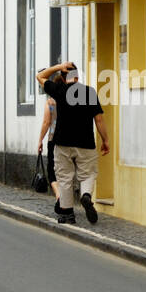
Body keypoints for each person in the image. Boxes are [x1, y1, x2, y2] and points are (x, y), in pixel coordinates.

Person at [35, 60, 109, 225]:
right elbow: (99, 120)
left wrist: (57, 67)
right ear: (78, 76)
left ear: (62, 76)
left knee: (65, 177)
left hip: (62, 143)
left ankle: (67, 214)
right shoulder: (89, 92)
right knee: (88, 174)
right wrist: (105, 140)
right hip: (86, 143)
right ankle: (86, 196)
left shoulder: (59, 90)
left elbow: (39, 76)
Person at [36, 71, 62, 211]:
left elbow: (46, 122)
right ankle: (65, 196)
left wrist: (40, 140)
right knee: (65, 170)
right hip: (68, 140)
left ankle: (58, 196)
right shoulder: (70, 100)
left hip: (53, 140)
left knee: (52, 170)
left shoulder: (50, 102)